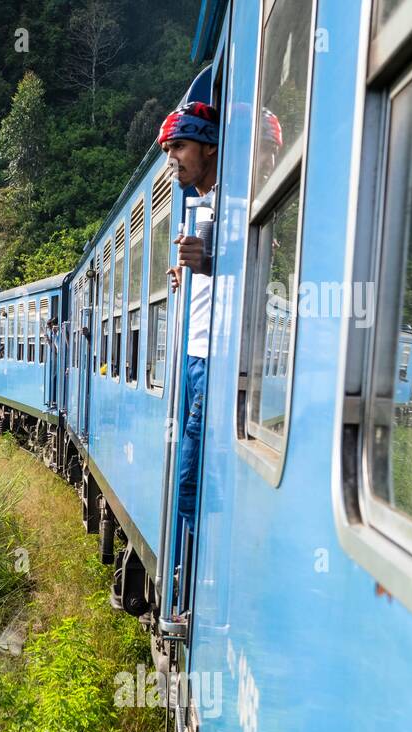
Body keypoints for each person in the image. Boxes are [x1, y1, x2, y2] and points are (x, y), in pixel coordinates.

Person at [158, 101, 220, 527]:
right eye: (166, 150)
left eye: (179, 145)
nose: (171, 158)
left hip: (210, 358)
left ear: (209, 146)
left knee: (189, 485)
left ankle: (191, 580)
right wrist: (190, 278)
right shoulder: (199, 207)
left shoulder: (228, 208)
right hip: (193, 356)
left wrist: (209, 263)